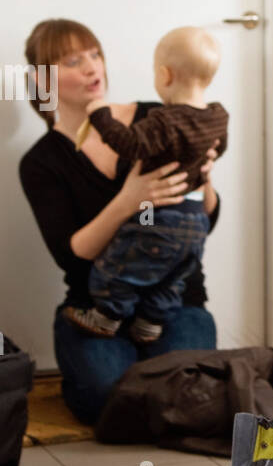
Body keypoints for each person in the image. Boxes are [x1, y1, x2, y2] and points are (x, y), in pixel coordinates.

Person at [18, 18, 221, 426]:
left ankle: (147, 383)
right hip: (96, 304)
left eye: (95, 55)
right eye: (73, 61)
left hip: (173, 300)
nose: (93, 67)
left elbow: (206, 220)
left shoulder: (156, 116)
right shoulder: (42, 161)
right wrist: (128, 201)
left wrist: (205, 177)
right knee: (103, 396)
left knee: (187, 387)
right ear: (43, 81)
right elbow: (71, 256)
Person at [64, 25, 229, 344]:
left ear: (165, 75)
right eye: (72, 61)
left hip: (157, 220)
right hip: (195, 223)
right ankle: (151, 322)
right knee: (172, 276)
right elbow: (219, 148)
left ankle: (108, 315)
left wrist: (100, 115)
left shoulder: (162, 120)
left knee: (120, 263)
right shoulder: (218, 115)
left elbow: (130, 145)